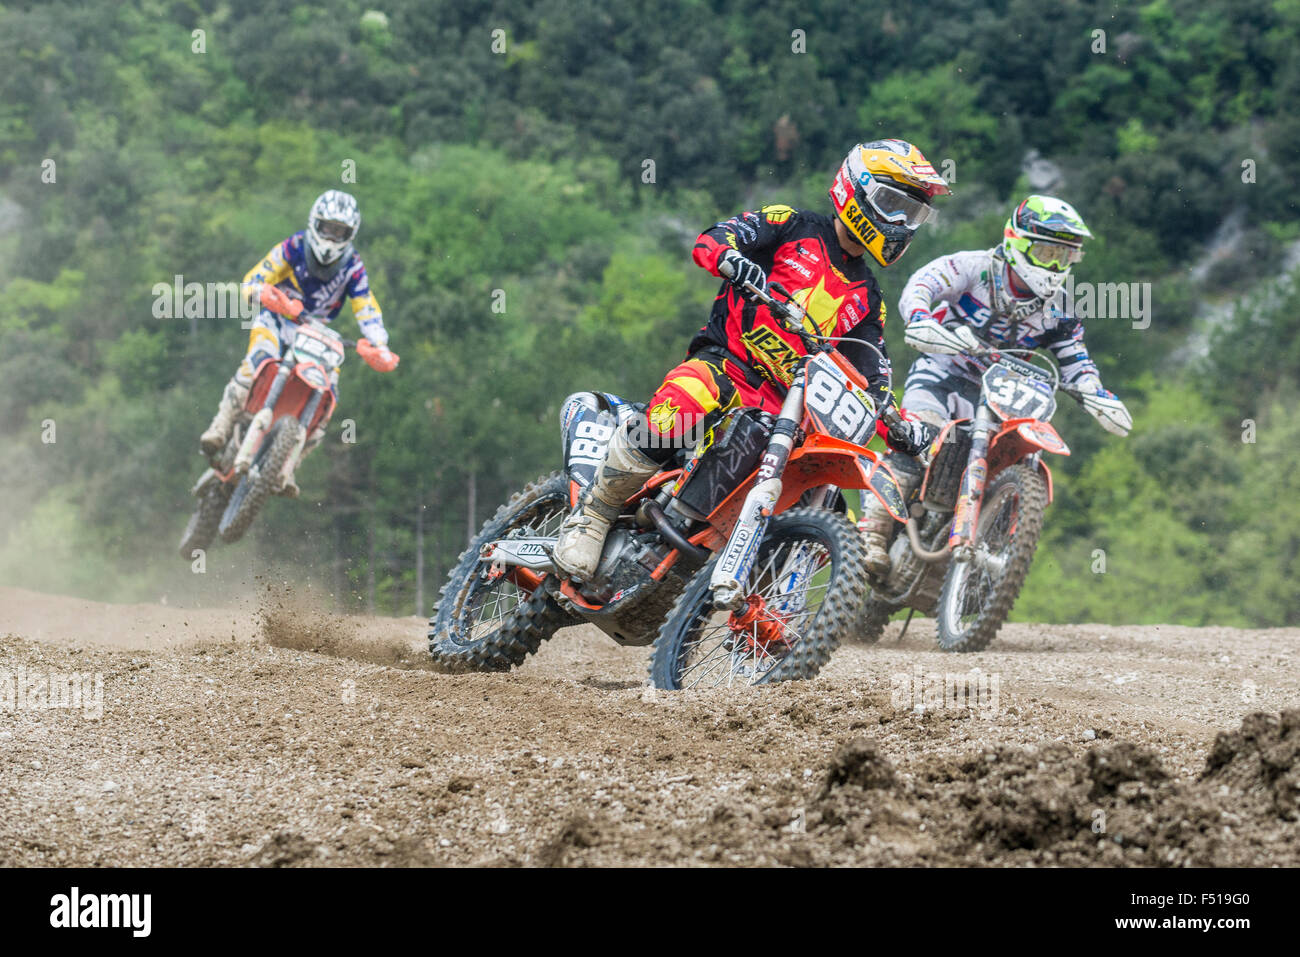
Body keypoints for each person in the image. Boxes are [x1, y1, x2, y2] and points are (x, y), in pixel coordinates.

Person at [553, 139, 949, 580]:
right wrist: (732, 260)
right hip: (726, 366)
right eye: (894, 205)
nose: (901, 223)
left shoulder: (868, 298)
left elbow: (872, 379)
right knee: (681, 408)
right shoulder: (791, 225)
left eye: (912, 214)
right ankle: (593, 515)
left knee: (827, 500)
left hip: (784, 412)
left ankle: (760, 598)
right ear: (856, 189)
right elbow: (714, 238)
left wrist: (899, 426)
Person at [856, 194, 1133, 576]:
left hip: (1002, 396)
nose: (1055, 266)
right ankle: (871, 534)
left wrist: (1097, 395)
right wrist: (921, 317)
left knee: (1016, 459)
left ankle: (991, 559)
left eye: (1065, 257)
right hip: (942, 373)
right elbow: (924, 283)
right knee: (918, 436)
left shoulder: (1061, 308)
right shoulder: (975, 268)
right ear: (1018, 242)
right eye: (1048, 253)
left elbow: (1075, 361)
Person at [198, 190, 399, 496]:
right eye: (327, 228)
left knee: (329, 392)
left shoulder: (353, 267)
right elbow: (258, 275)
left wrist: (379, 345)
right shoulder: (294, 247)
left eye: (340, 231)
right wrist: (260, 291)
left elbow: (366, 305)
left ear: (350, 234)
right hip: (277, 318)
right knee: (256, 361)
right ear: (315, 223)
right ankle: (220, 426)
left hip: (318, 334)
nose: (331, 237)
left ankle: (290, 465)